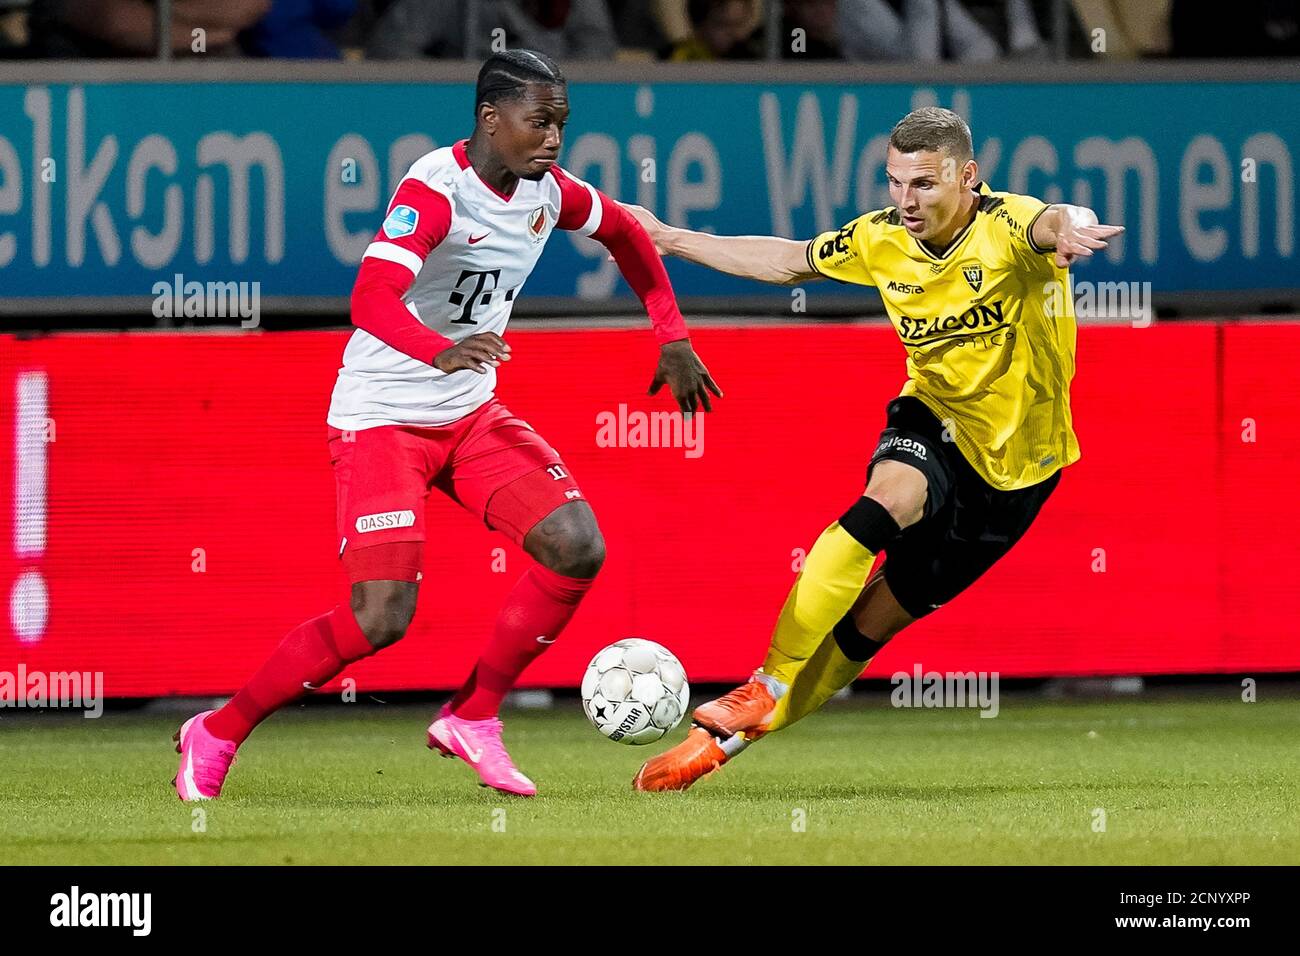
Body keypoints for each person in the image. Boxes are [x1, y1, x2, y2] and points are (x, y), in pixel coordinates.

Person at [173, 49, 721, 801]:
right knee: (381, 618)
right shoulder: (434, 193)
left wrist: (672, 334)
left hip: (467, 414)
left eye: (561, 122)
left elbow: (627, 233)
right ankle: (219, 730)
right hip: (382, 419)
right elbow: (369, 300)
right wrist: (443, 350)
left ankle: (473, 715)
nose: (555, 138)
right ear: (492, 120)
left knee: (575, 545)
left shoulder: (550, 193)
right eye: (540, 122)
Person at [623, 106, 1122, 791]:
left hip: (1021, 473)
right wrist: (669, 237)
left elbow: (1049, 222)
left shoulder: (1009, 225)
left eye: (922, 184)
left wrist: (1068, 222)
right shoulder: (880, 239)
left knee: (867, 626)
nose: (904, 202)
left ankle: (724, 745)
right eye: (894, 182)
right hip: (934, 417)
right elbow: (790, 261)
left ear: (967, 177)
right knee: (886, 497)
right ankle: (763, 684)